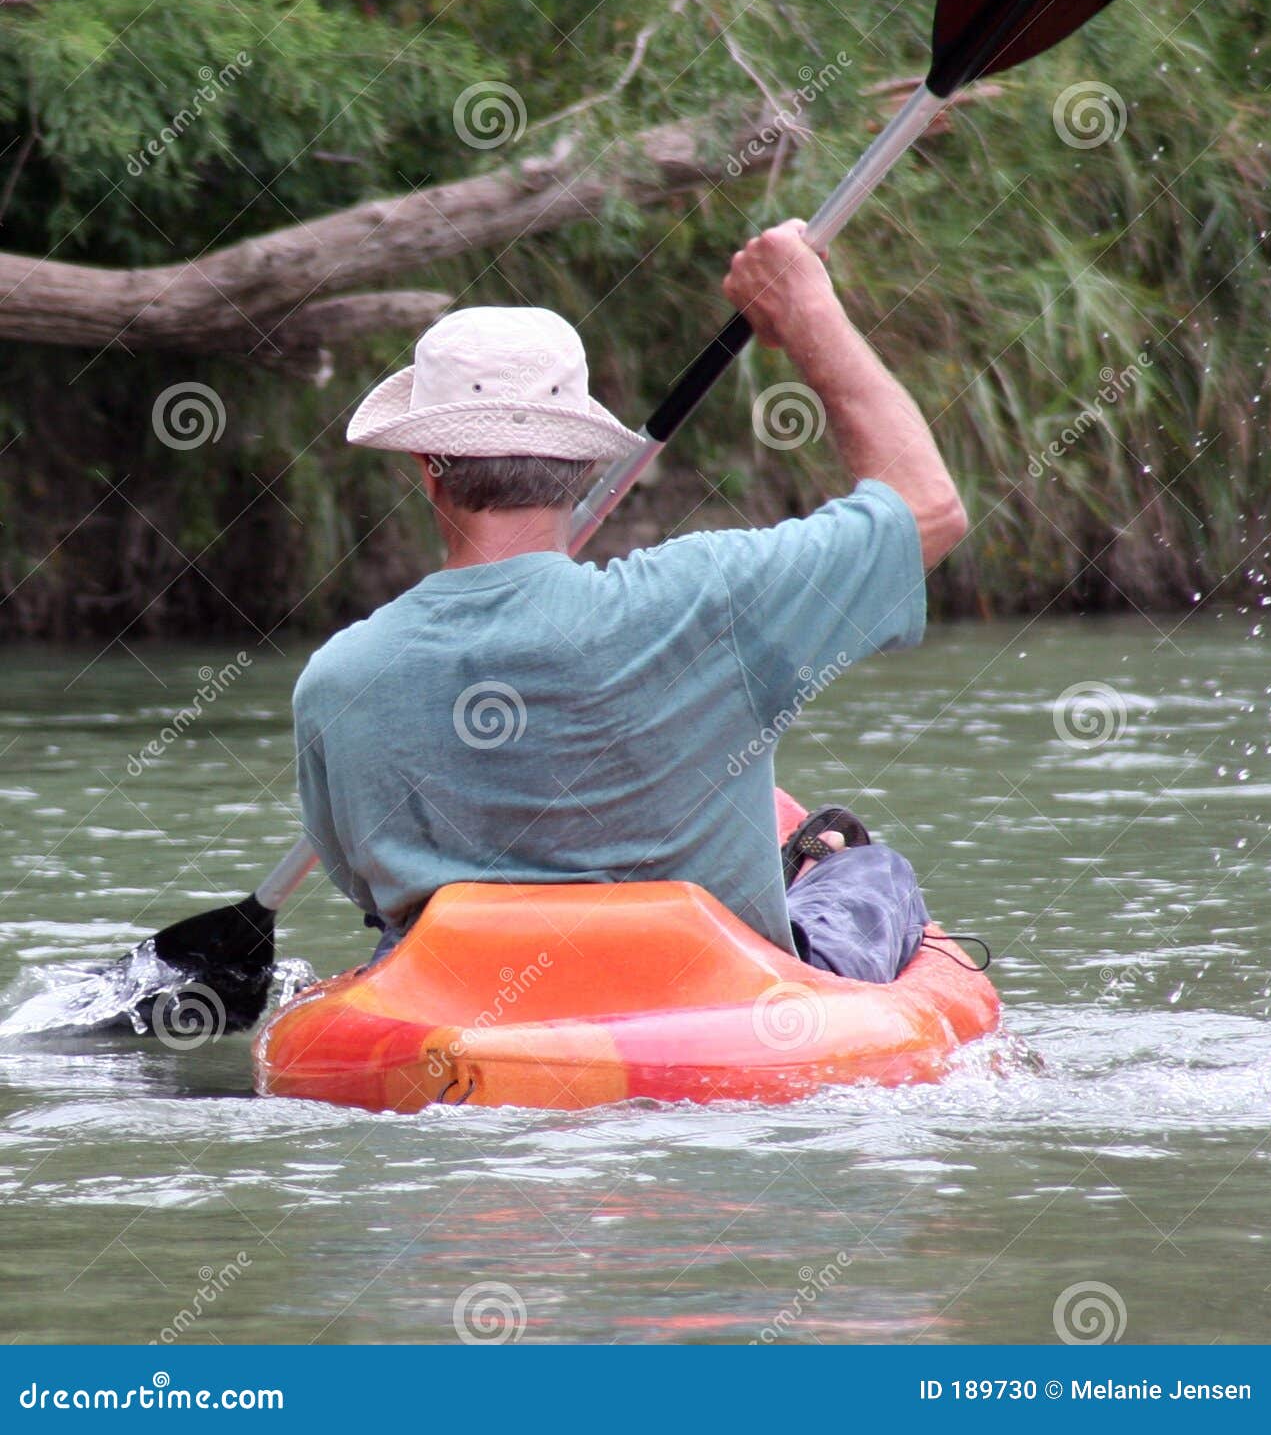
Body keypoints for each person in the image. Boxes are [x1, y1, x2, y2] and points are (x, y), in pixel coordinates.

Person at [292, 219, 967, 980]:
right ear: (581, 464)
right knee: (868, 872)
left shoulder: (338, 678)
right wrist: (808, 310)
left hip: (461, 1003)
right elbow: (928, 509)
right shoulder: (710, 599)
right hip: (713, 1004)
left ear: (425, 466)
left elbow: (368, 888)